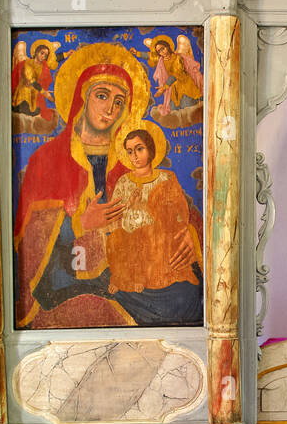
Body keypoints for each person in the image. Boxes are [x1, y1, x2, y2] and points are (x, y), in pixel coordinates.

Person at [13, 44, 203, 328]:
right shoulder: (47, 159)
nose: (111, 109)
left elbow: (178, 206)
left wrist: (190, 236)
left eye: (119, 102)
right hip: (67, 276)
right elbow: (27, 240)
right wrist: (78, 225)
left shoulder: (130, 159)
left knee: (186, 298)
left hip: (133, 270)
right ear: (82, 97)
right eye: (102, 96)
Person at [104, 126, 200, 297]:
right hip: (129, 240)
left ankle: (146, 277)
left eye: (139, 149)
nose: (134, 156)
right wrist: (129, 205)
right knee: (114, 240)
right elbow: (113, 217)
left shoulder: (166, 178)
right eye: (130, 151)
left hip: (157, 240)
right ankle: (122, 279)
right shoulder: (123, 181)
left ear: (150, 148)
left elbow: (180, 212)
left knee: (152, 237)